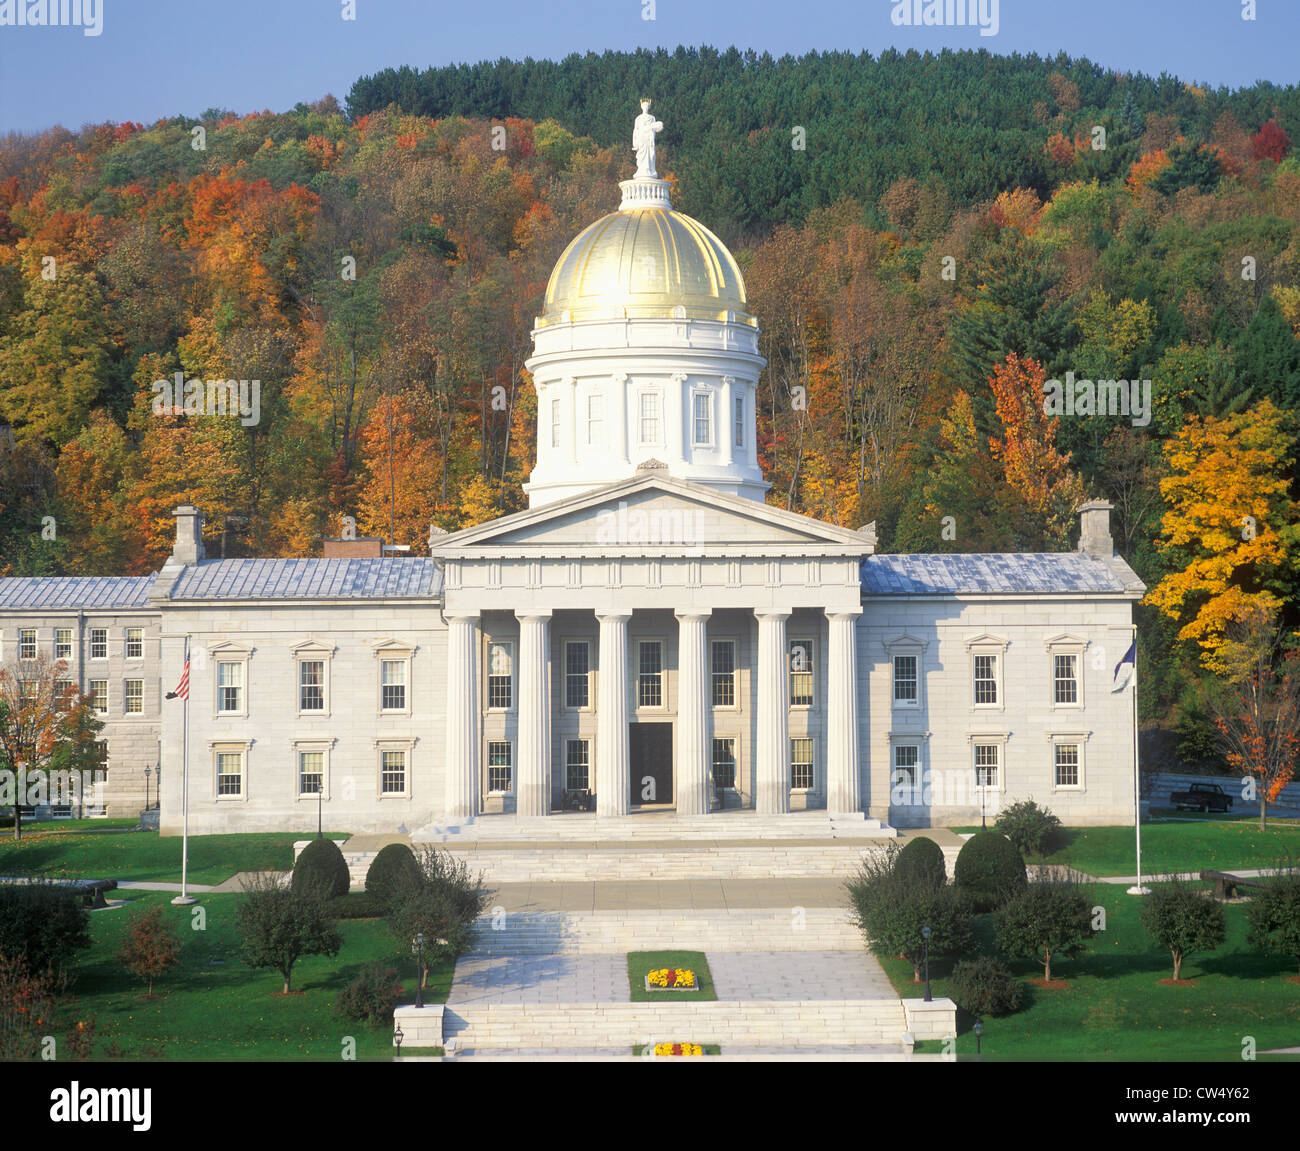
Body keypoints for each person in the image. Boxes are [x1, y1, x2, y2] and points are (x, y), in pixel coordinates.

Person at [633, 99, 663, 179]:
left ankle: (650, 170)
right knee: (641, 154)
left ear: (649, 107)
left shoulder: (652, 118)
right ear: (641, 107)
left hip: (649, 138)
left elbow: (655, 128)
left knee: (650, 154)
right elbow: (636, 130)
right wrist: (634, 142)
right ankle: (641, 170)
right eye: (644, 106)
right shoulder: (638, 118)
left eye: (647, 106)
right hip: (641, 137)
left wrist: (656, 127)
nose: (646, 107)